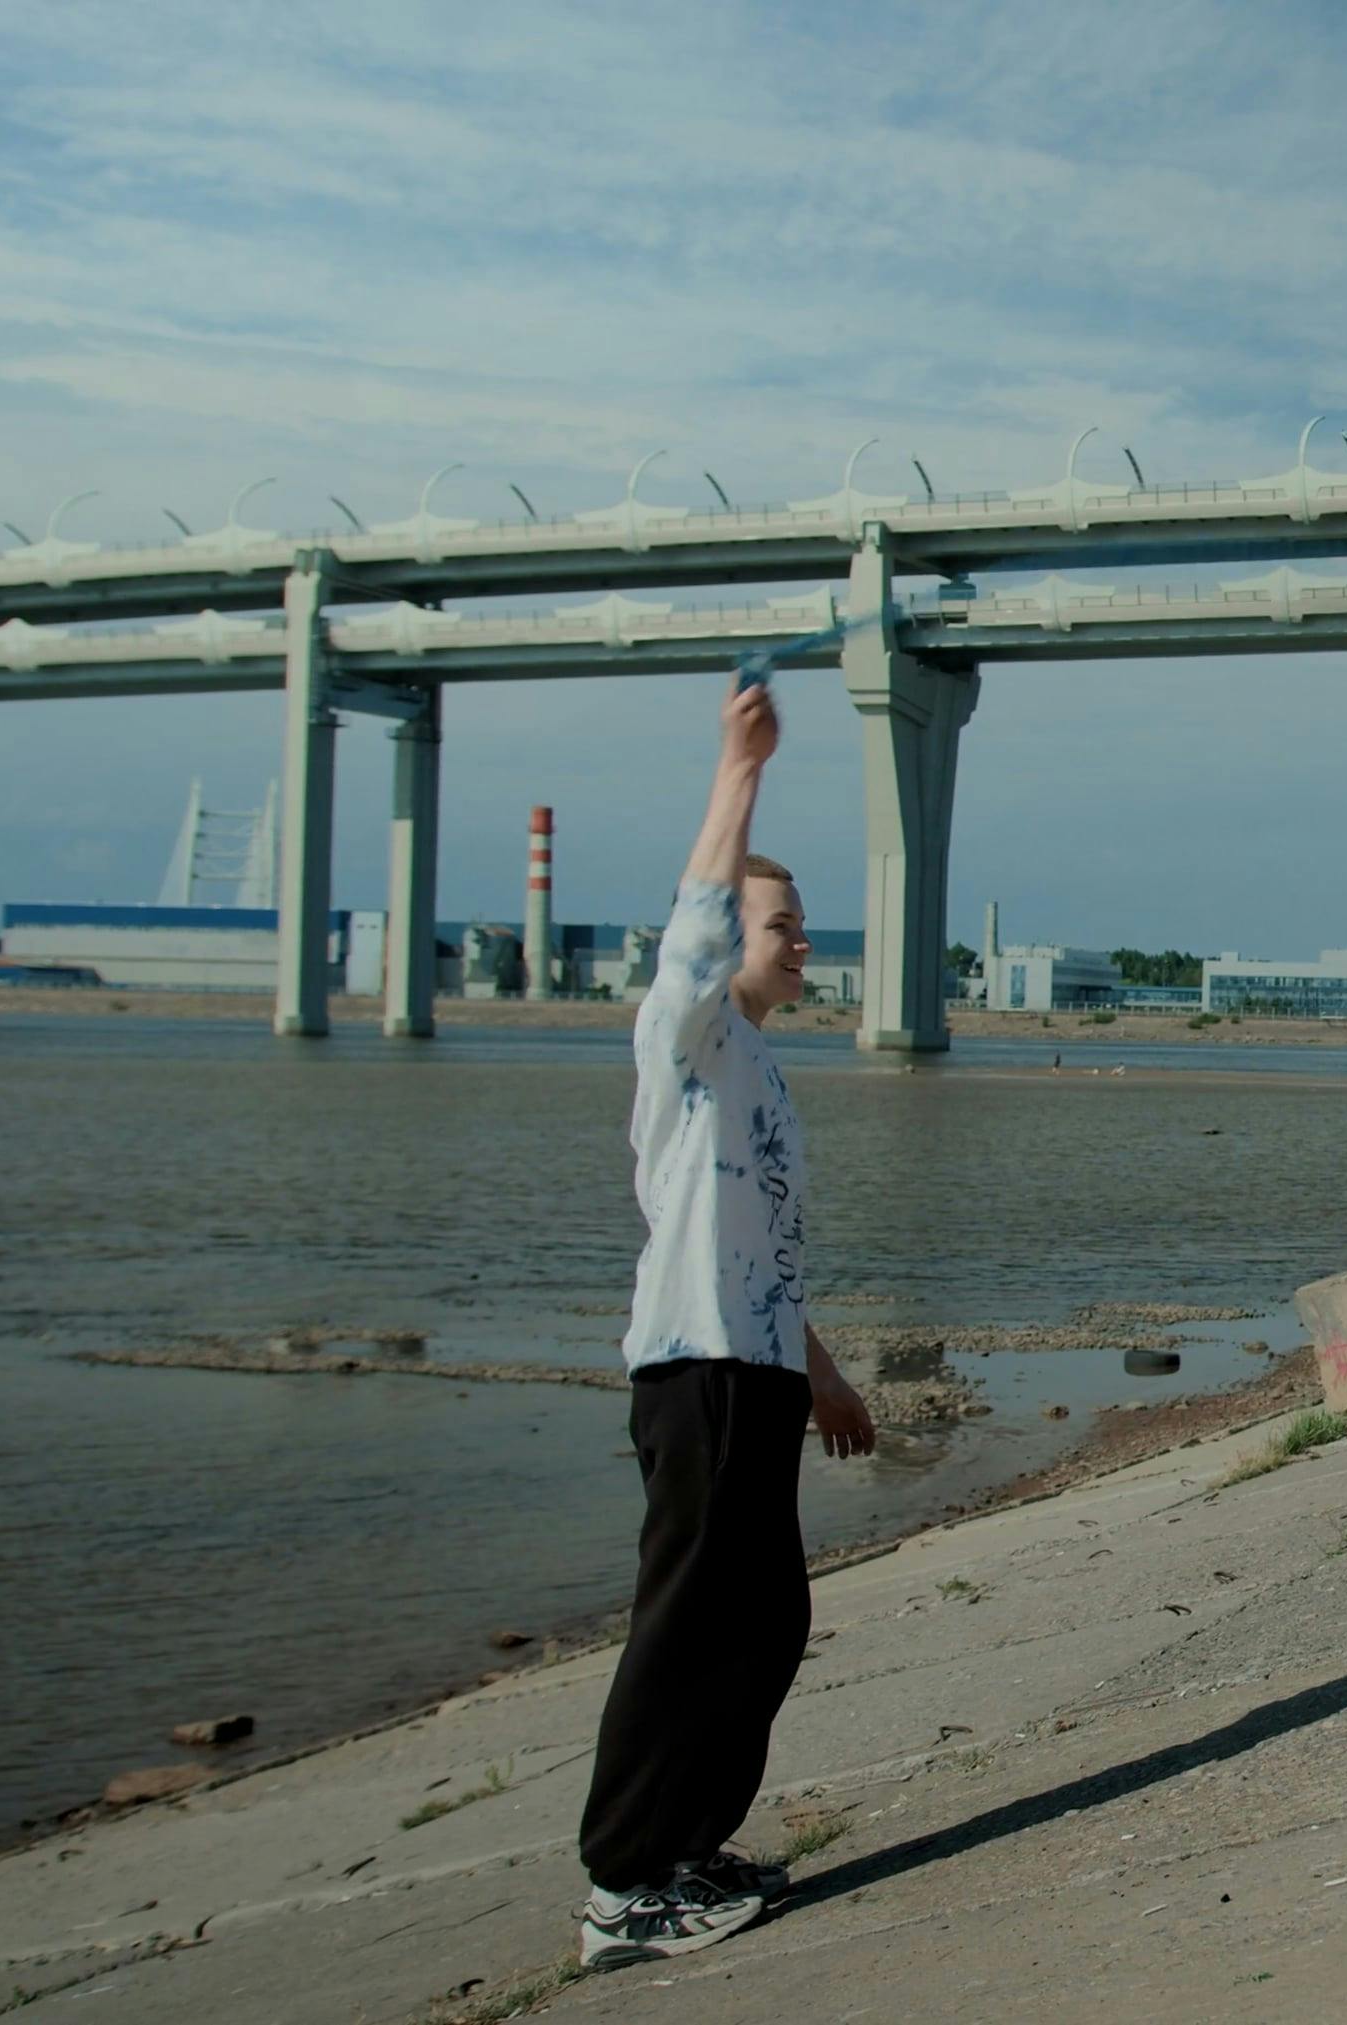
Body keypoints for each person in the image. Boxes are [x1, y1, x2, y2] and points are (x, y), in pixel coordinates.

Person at [575, 671, 880, 1970]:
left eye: (803, 920)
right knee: (687, 1623)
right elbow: (693, 929)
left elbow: (765, 1256)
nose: (801, 937)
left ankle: (690, 1843)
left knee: (765, 1624)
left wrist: (818, 1375)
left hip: (753, 1373)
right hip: (691, 1372)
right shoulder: (688, 1035)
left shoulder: (761, 1064)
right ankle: (623, 1888)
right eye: (782, 920)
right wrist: (738, 769)